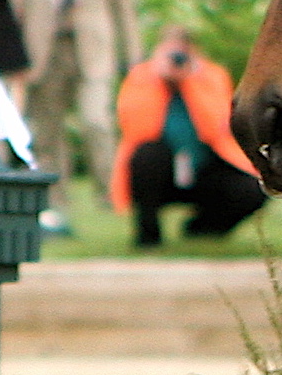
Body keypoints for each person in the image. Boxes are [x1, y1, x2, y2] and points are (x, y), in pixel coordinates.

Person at [11, 0, 137, 232]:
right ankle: (54, 198)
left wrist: (134, 57)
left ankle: (108, 192)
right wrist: (14, 56)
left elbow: (122, 7)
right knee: (46, 128)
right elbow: (18, 4)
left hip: (93, 48)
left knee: (97, 120)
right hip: (44, 48)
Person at [111, 25, 264, 248]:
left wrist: (191, 81)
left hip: (205, 166)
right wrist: (158, 78)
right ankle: (148, 235)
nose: (176, 60)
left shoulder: (212, 76)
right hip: (160, 170)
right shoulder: (142, 77)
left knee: (253, 187)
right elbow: (136, 128)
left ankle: (203, 228)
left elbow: (217, 126)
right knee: (146, 155)